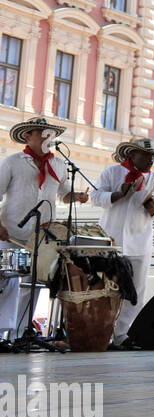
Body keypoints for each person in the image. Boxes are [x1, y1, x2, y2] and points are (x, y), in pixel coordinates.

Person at [0, 117, 86, 338]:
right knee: (7, 282)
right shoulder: (12, 161)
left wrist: (76, 196)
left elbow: (64, 194)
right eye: (42, 133)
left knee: (33, 285)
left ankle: (19, 335)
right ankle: (1, 333)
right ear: (28, 136)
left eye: (51, 134)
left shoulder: (58, 164)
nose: (48, 137)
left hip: (42, 236)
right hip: (11, 232)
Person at [92, 137, 154, 349]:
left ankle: (123, 335)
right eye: (146, 155)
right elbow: (95, 197)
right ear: (131, 155)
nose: (151, 160)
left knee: (136, 291)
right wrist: (118, 194)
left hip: (139, 242)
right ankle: (101, 332)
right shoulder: (112, 172)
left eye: (153, 156)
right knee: (105, 288)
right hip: (111, 240)